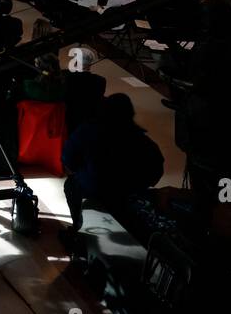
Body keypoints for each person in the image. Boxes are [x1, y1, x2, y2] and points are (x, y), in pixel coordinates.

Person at [61, 93, 164, 235]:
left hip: (94, 190)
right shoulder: (142, 140)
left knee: (71, 185)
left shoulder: (88, 130)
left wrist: (83, 170)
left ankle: (80, 229)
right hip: (129, 193)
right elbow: (156, 171)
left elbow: (68, 158)